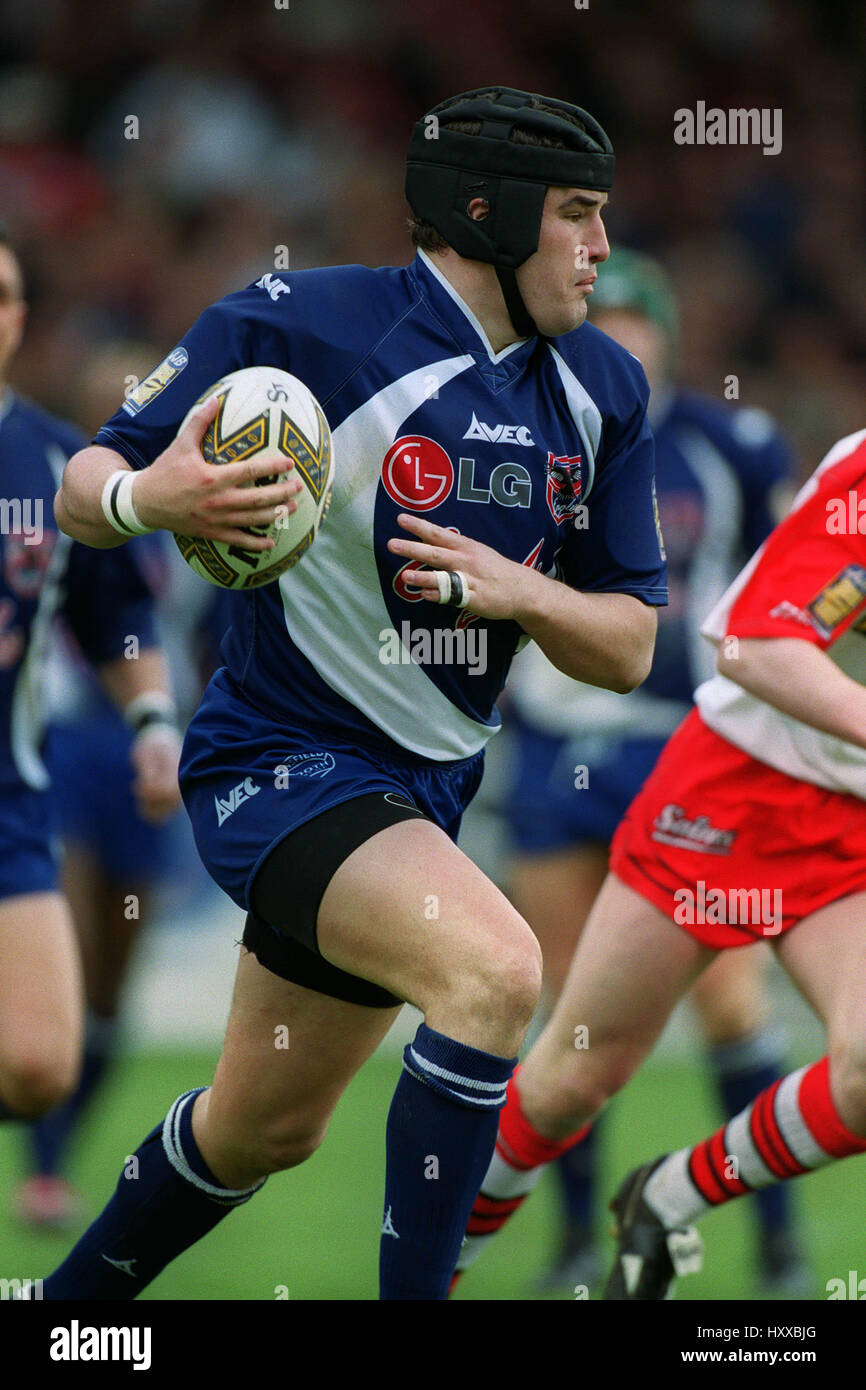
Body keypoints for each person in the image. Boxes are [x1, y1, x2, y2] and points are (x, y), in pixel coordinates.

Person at [43, 86, 667, 1301]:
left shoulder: (602, 393)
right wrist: (148, 500)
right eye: (577, 216)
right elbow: (85, 477)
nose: (599, 249)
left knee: (259, 1130)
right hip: (276, 765)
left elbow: (628, 646)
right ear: (486, 212)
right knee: (494, 970)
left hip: (421, 796)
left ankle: (66, 1319)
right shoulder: (301, 325)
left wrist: (521, 595)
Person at [457, 423, 866, 1300]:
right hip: (733, 787)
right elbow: (755, 645)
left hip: (852, 824)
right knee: (572, 1080)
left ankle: (664, 1198)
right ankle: (423, 1278)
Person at [498, 247, 807, 1294]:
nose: (619, 341)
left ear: (668, 337)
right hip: (552, 749)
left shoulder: (729, 443)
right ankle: (577, 1239)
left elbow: (791, 601)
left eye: (638, 323)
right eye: (603, 322)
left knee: (730, 1001)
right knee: (571, 1016)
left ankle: (776, 1242)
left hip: (689, 752)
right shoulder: (523, 434)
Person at [0, 224, 181, 1135]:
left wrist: (153, 719)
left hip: (12, 791)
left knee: (37, 1068)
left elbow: (115, 616)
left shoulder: (51, 464)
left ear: (19, 319)